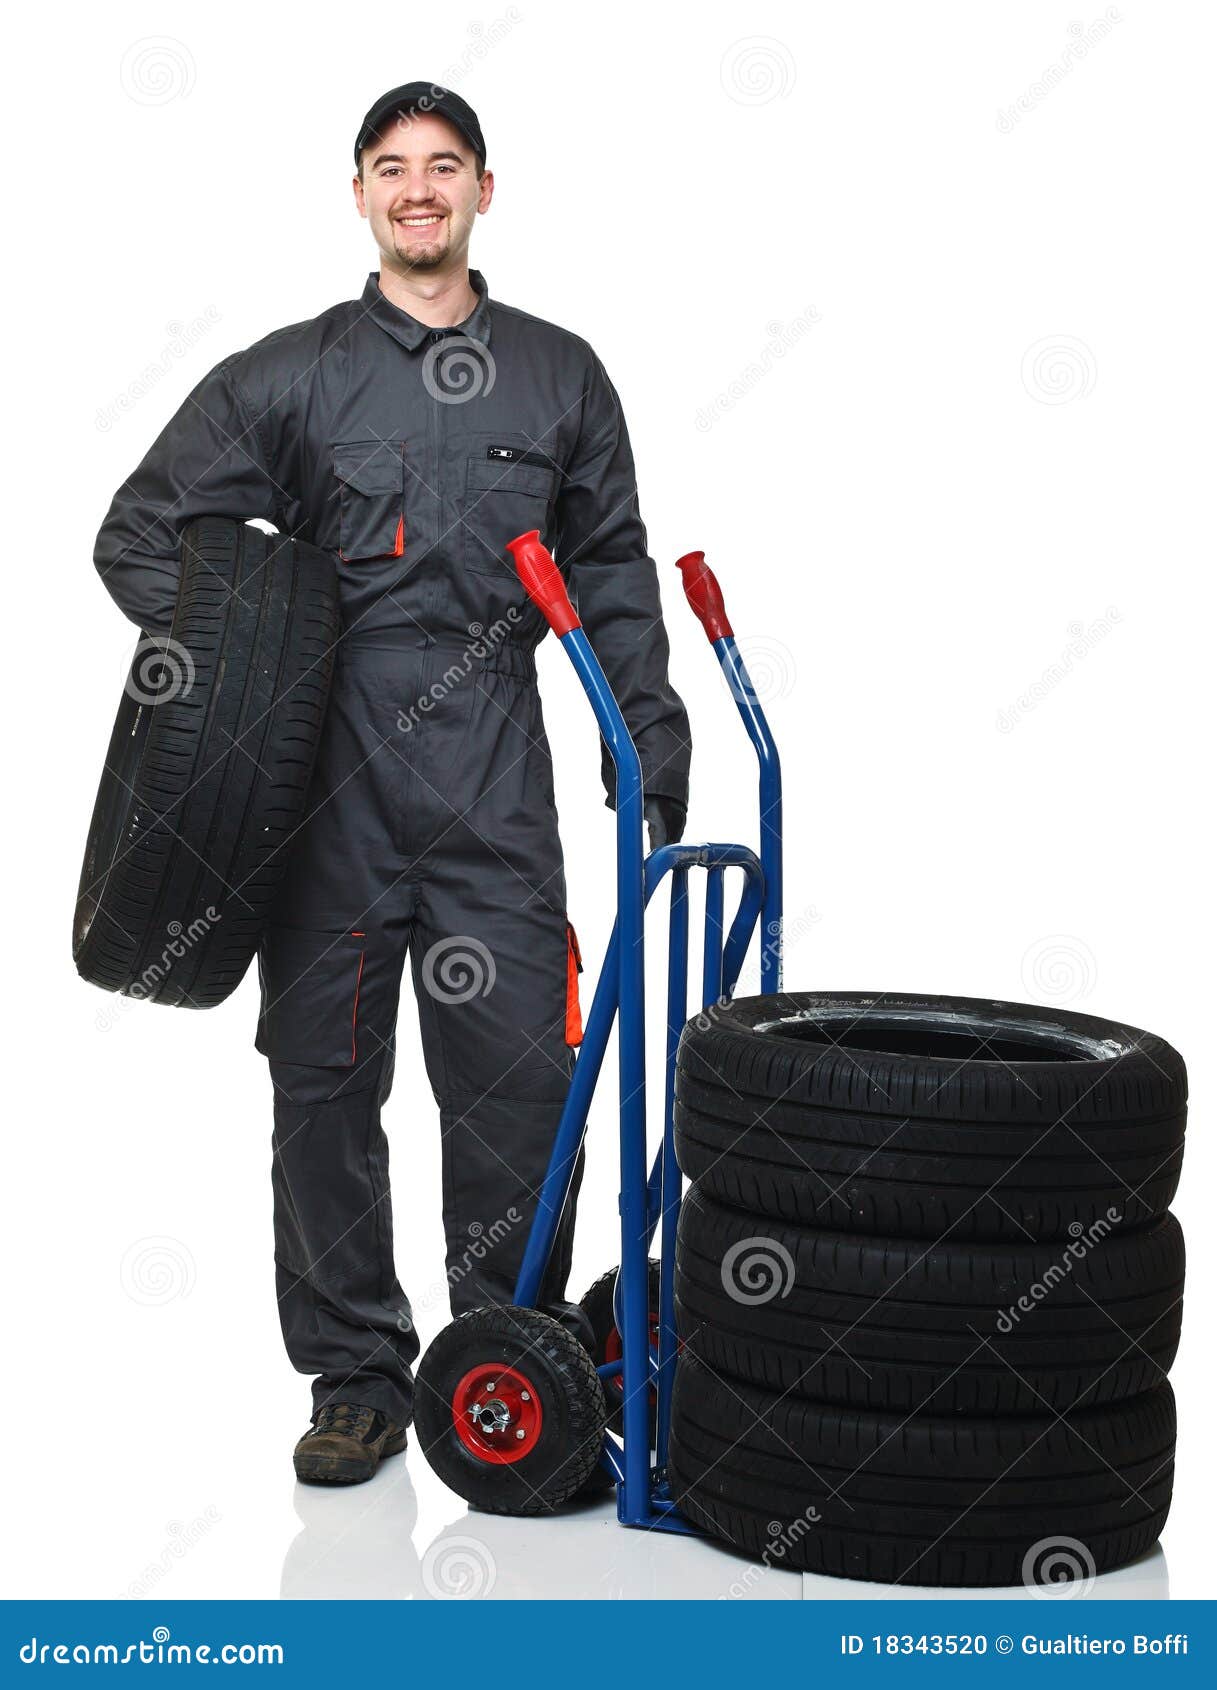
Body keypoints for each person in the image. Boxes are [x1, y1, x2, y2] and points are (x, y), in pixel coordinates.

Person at [93, 82, 691, 1485]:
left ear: (486, 187)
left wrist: (644, 733)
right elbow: (139, 532)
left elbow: (607, 567)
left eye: (443, 167)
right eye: (389, 168)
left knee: (520, 1088)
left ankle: (506, 1360)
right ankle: (356, 1374)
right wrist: (246, 679)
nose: (417, 190)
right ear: (358, 194)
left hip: (493, 783)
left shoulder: (560, 375)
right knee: (321, 1090)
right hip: (323, 792)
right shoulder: (292, 373)